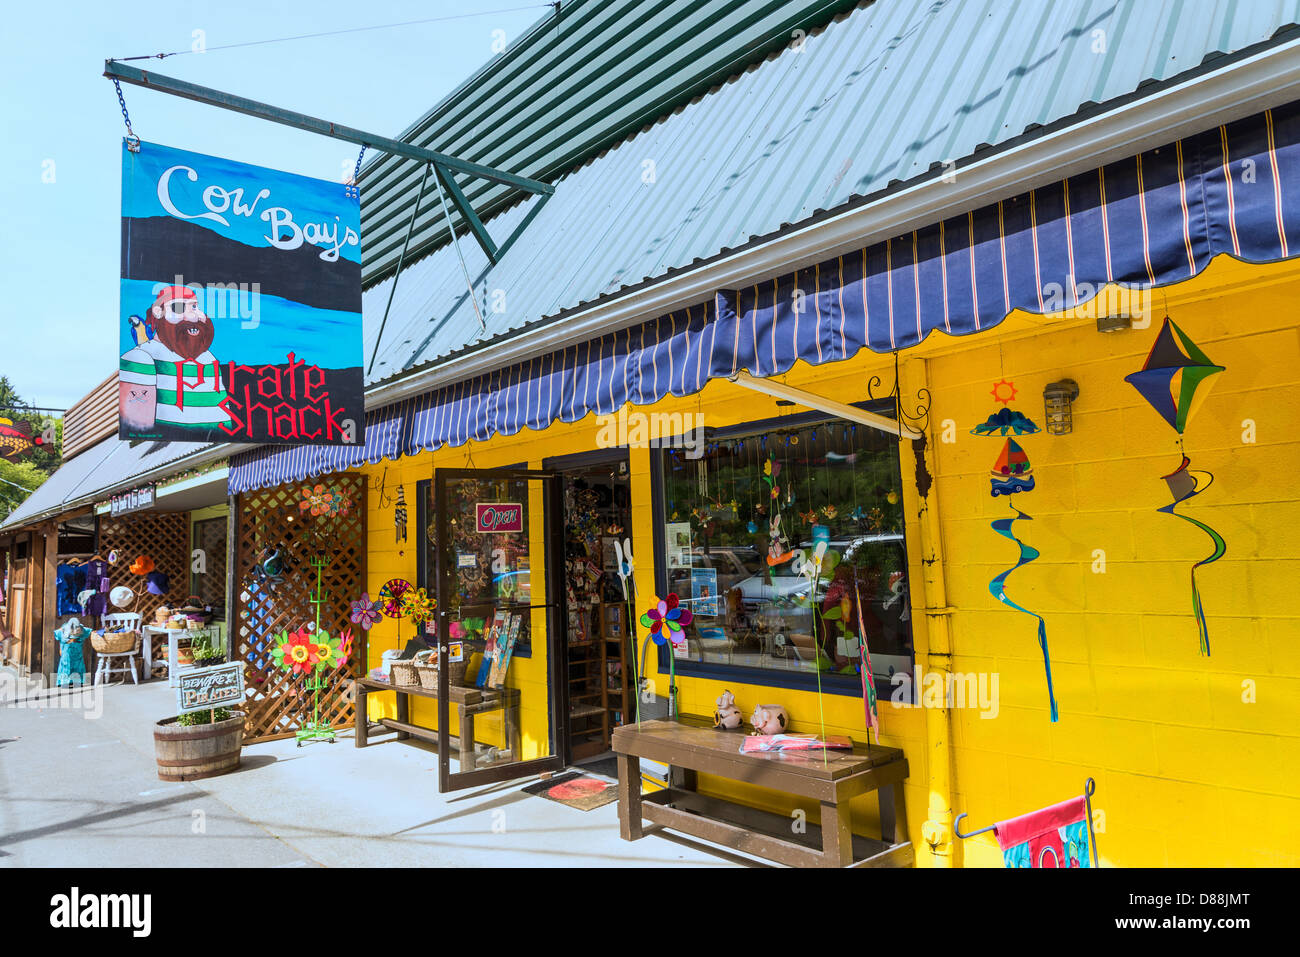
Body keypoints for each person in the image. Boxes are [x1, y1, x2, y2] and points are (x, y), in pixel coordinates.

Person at [119, 285, 234, 434]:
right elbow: (136, 428)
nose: (192, 315)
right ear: (158, 312)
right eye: (178, 307)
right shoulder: (141, 358)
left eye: (194, 307)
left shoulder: (208, 358)